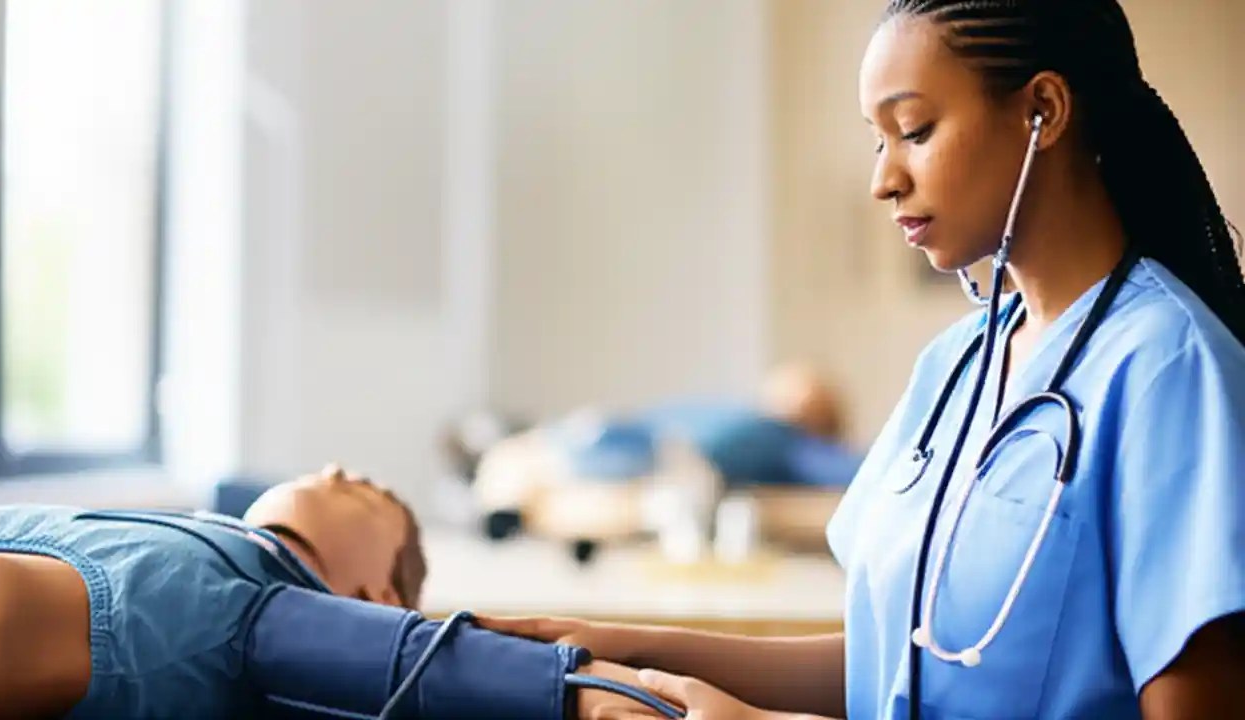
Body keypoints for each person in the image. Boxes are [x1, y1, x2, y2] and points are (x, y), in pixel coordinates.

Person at [481, 2, 1245, 718]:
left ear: (1041, 110)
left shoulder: (1170, 371)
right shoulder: (953, 367)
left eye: (913, 129)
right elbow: (897, 666)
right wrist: (625, 644)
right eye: (878, 141)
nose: (884, 179)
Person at [0, 464, 669, 719]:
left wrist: (597, 689)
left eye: (372, 494)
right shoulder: (203, 538)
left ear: (374, 597)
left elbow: (435, 661)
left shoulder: (264, 607)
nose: (337, 466)